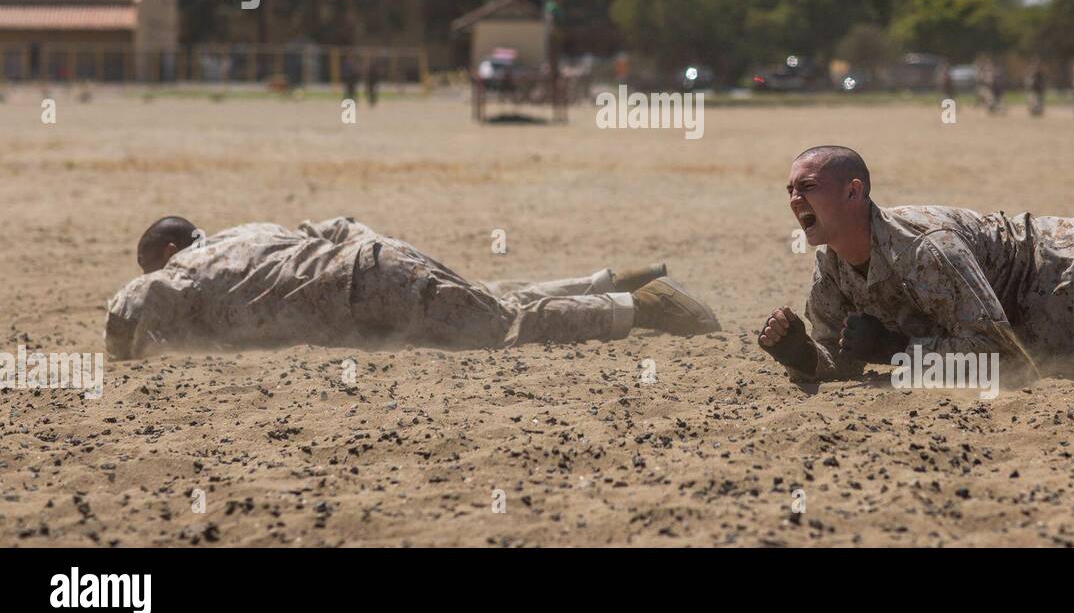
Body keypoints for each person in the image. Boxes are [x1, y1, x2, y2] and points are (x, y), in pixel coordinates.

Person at [755, 146, 1074, 384]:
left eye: (808, 187)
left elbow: (1001, 358)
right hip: (1057, 331)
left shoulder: (926, 248)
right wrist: (803, 355)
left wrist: (898, 352)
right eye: (790, 190)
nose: (794, 199)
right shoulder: (832, 269)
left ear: (853, 192)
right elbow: (842, 360)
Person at [107, 216, 718, 360]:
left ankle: (633, 308)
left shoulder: (176, 273)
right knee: (487, 298)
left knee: (496, 328)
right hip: (373, 260)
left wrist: (127, 357)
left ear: (164, 253)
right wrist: (380, 261)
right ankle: (608, 280)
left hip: (358, 288)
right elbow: (337, 223)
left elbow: (124, 314)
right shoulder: (248, 233)